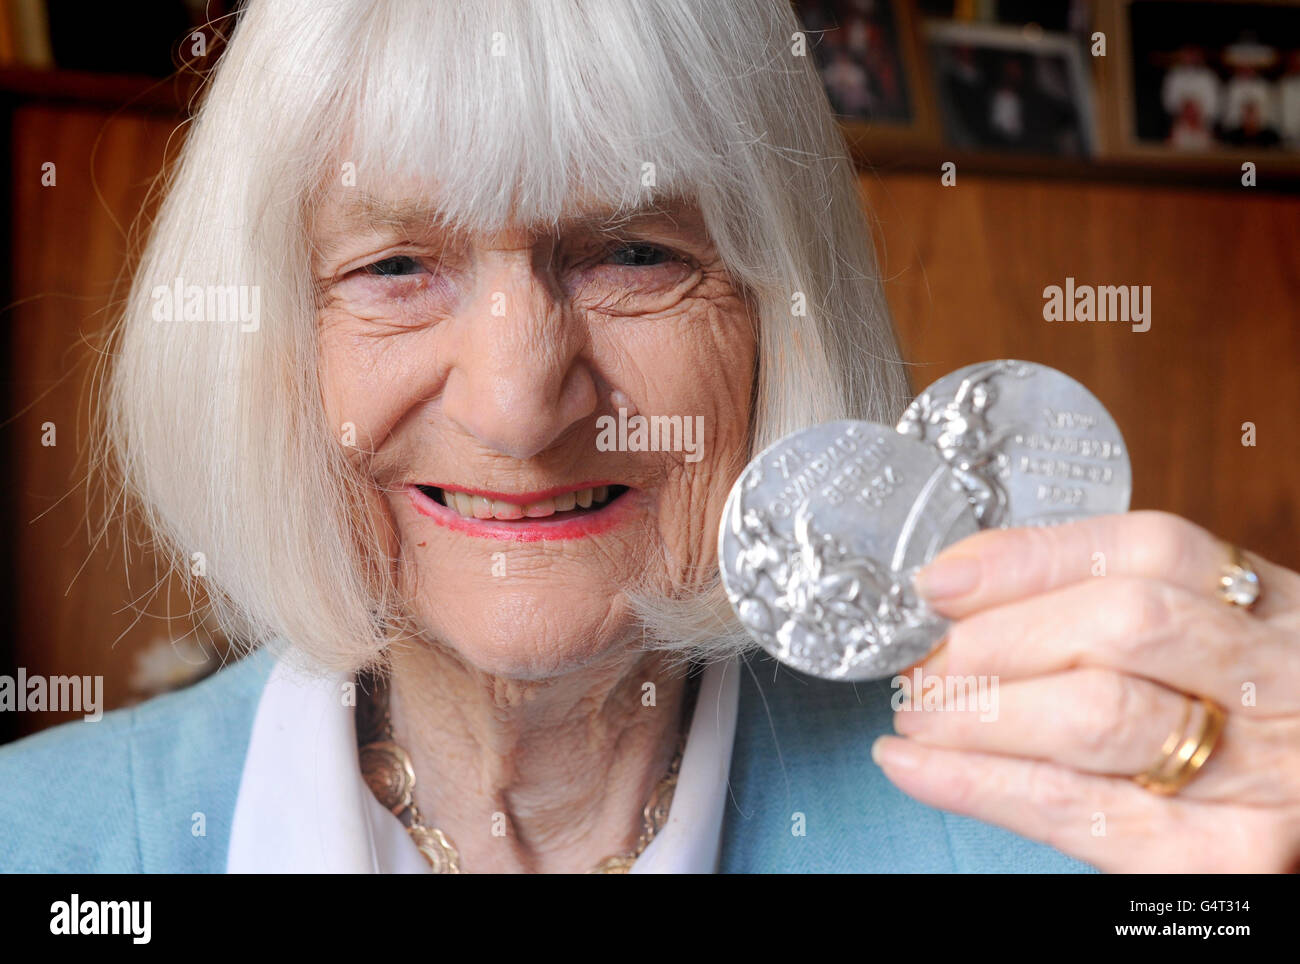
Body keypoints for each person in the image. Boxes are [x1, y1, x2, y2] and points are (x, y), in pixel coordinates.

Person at [1, 0, 1297, 874]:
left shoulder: (1070, 830)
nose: (517, 406)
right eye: (395, 265)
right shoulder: (37, 843)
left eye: (633, 254)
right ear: (263, 348)